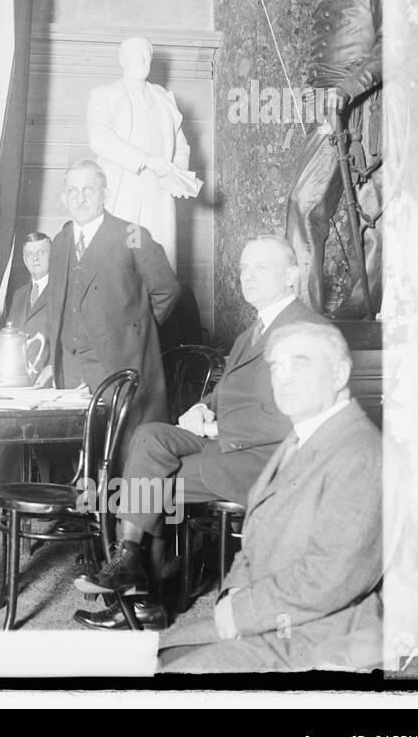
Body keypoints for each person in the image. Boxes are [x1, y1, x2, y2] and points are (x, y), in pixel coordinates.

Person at [74, 235, 328, 627]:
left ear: (291, 276)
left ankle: (143, 599)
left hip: (268, 458)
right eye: (244, 267)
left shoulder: (308, 329)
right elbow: (229, 392)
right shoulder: (253, 332)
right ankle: (129, 563)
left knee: (150, 485)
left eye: (260, 268)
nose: (247, 276)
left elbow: (296, 411)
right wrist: (200, 407)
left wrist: (217, 426)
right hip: (226, 440)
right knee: (148, 437)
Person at [157, 322, 383, 672]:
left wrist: (241, 613)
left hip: (318, 637)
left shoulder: (360, 453)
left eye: (301, 363)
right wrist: (232, 594)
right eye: (277, 367)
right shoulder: (299, 438)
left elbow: (329, 578)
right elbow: (254, 543)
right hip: (273, 618)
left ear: (339, 374)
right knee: (158, 655)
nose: (285, 377)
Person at [285, 0, 384, 318]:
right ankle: (306, 313)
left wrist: (348, 87)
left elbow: (395, 45)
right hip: (329, 108)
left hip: (365, 108)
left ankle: (362, 308)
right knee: (305, 205)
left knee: (372, 213)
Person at [41, 160, 179, 428]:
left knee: (121, 448)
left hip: (119, 365)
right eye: (73, 192)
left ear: (105, 194)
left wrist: (135, 335)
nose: (80, 199)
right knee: (75, 450)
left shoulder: (132, 235)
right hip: (69, 368)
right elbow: (56, 303)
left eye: (89, 190)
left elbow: (167, 290)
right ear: (63, 199)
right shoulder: (59, 242)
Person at [86, 37, 194, 269]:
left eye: (147, 55)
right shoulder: (104, 95)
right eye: (138, 54)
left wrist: (177, 176)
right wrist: (147, 160)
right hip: (121, 188)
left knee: (159, 262)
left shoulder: (164, 98)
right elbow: (100, 139)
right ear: (123, 60)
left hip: (159, 194)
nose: (144, 59)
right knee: (116, 263)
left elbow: (181, 145)